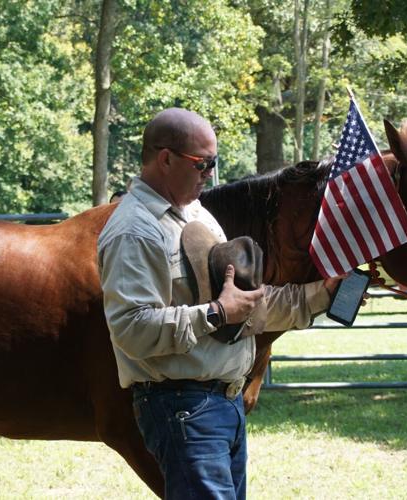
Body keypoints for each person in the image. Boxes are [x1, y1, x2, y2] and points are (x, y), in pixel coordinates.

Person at [96, 108, 340, 499]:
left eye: (214, 162)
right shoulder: (133, 230)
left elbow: (246, 305)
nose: (210, 172)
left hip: (219, 404)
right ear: (166, 159)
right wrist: (216, 313)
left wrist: (322, 294)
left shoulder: (198, 214)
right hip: (182, 407)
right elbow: (131, 330)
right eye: (203, 163)